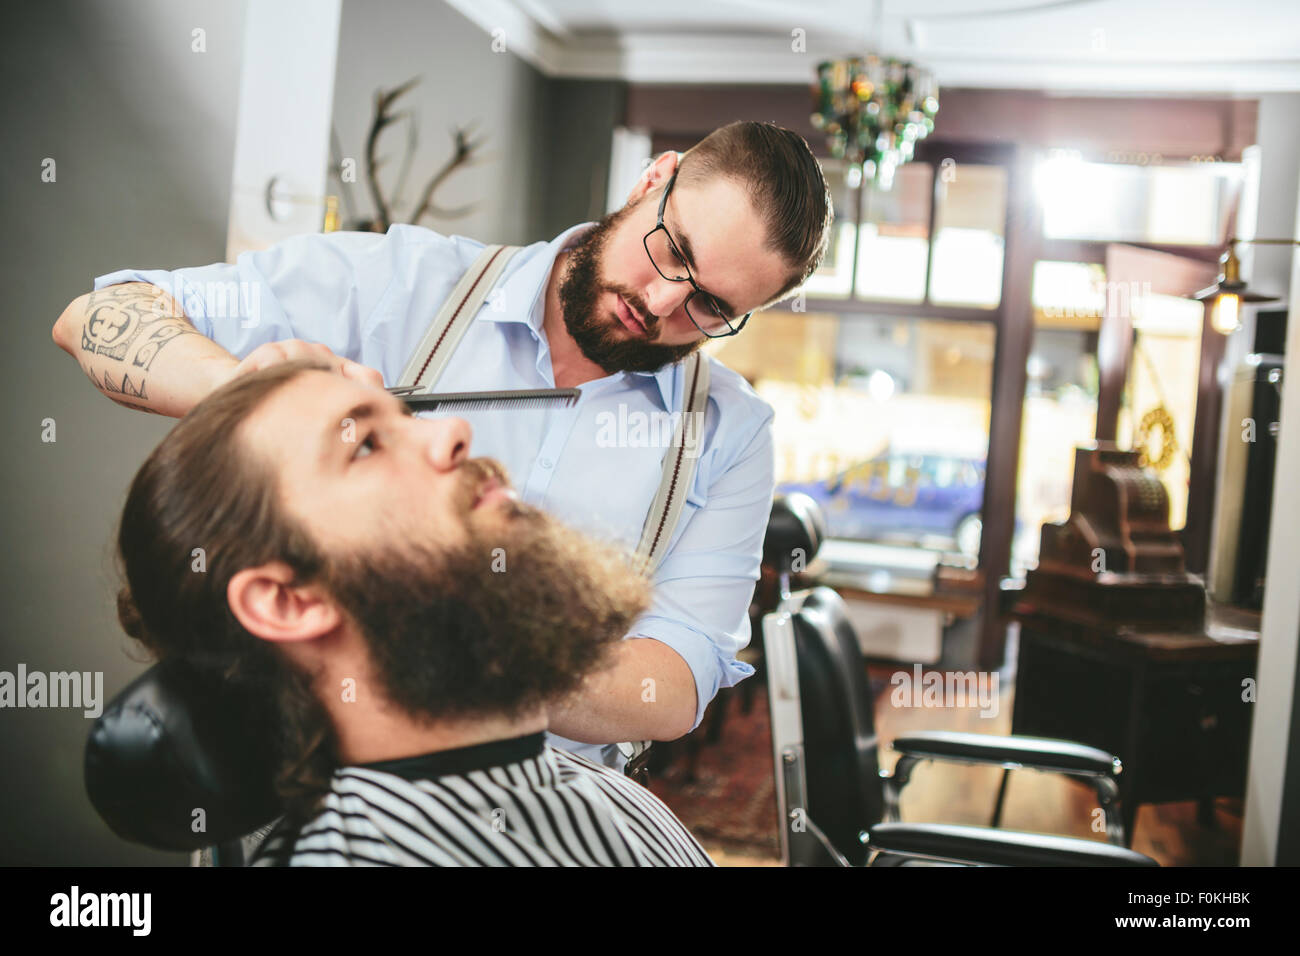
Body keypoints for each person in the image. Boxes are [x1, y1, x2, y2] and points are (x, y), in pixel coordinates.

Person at [55, 120, 833, 767]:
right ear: (652, 180)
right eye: (674, 250)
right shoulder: (402, 280)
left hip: (551, 817)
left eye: (709, 306)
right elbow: (98, 315)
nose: (662, 302)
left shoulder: (731, 432)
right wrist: (264, 400)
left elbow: (673, 687)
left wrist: (455, 652)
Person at [114, 358, 714, 866]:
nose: (452, 430)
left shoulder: (622, 803)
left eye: (405, 418)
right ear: (287, 601)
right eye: (366, 445)